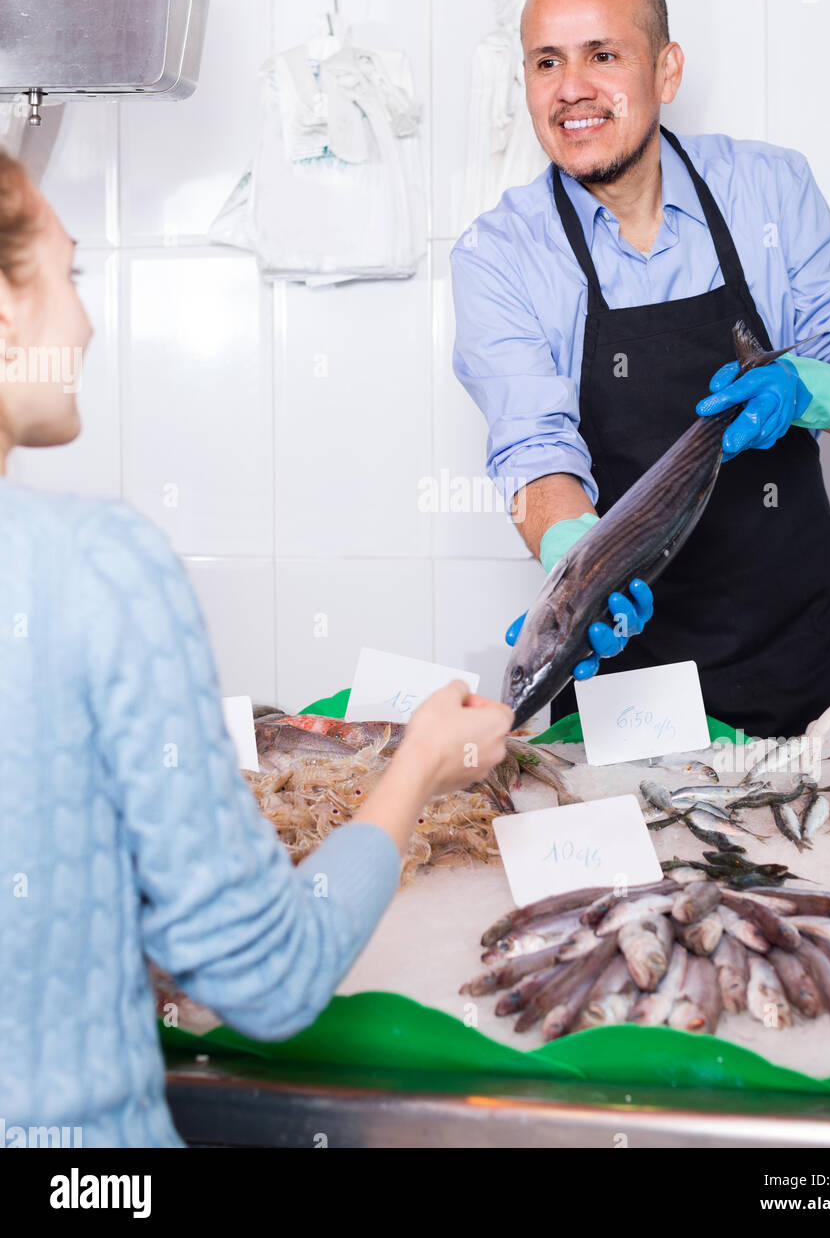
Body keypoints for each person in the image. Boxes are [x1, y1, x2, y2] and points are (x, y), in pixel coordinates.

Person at [0, 149, 513, 1147]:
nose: (89, 321)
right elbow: (265, 978)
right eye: (70, 277)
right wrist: (417, 769)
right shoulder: (94, 569)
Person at [452, 0, 830, 736]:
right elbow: (533, 451)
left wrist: (806, 390)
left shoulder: (769, 189)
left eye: (602, 54)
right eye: (545, 62)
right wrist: (579, 579)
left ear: (666, 70)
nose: (570, 89)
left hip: (800, 650)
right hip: (625, 672)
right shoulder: (497, 255)